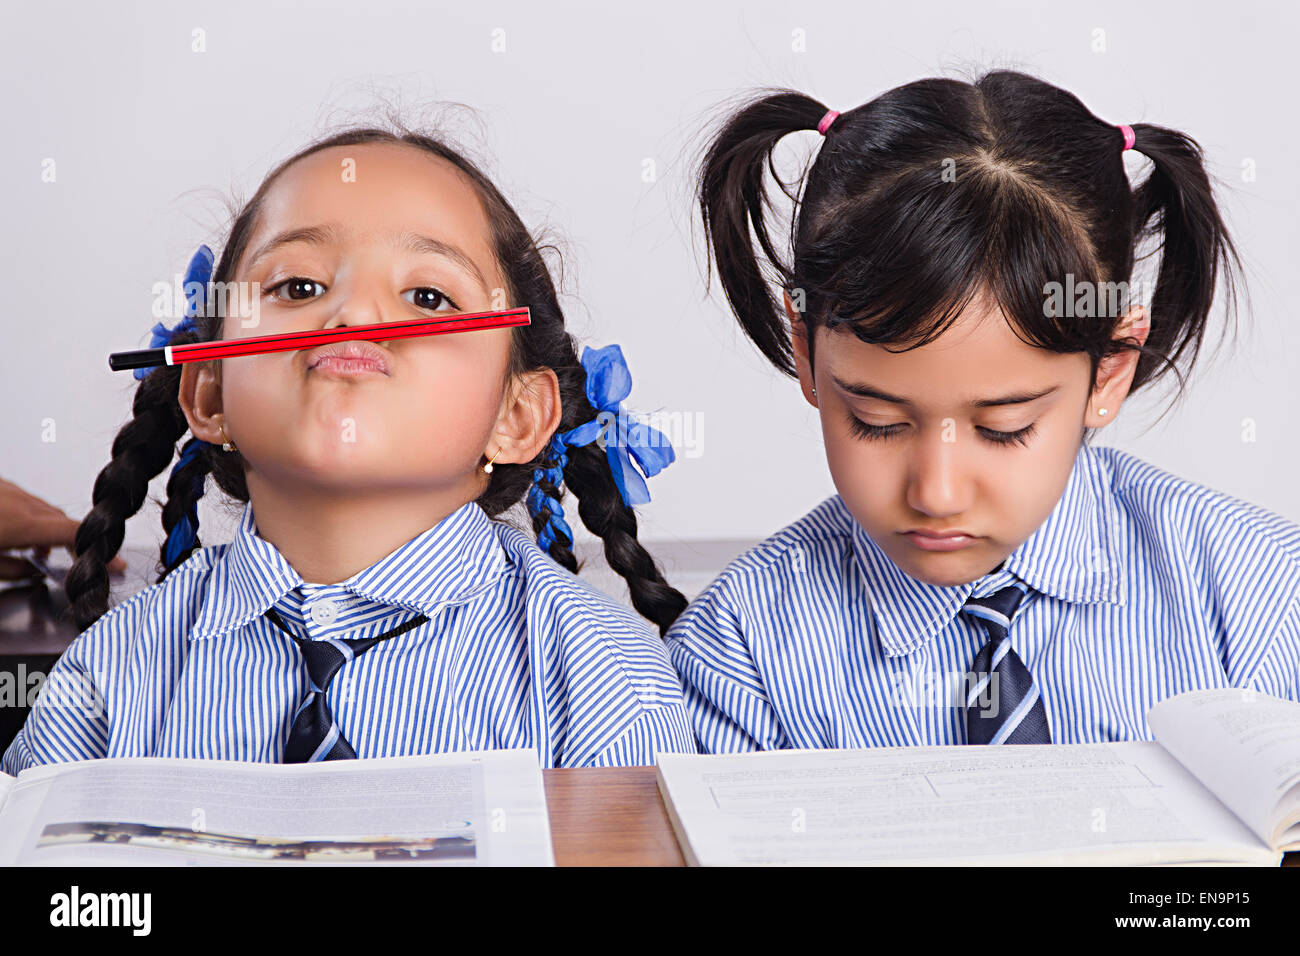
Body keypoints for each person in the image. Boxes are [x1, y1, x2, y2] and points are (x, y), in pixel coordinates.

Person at [3, 126, 695, 772]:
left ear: (517, 415)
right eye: (298, 286)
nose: (353, 316)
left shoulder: (609, 688)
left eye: (427, 295)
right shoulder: (109, 674)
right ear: (209, 391)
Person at [666, 70, 1300, 751]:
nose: (937, 493)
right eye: (877, 420)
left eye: (1005, 429)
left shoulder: (1259, 598)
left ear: (1110, 371)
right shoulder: (741, 654)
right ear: (809, 354)